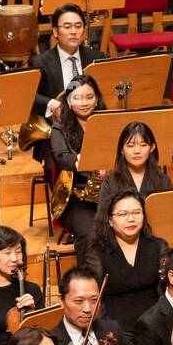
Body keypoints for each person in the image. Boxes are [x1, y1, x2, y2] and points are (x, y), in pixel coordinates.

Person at [81, 189, 168, 333]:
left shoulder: (158, 246)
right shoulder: (97, 252)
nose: (131, 219)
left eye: (136, 213)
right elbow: (93, 298)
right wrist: (107, 330)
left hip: (155, 324)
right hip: (115, 328)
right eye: (122, 214)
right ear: (110, 220)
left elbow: (168, 288)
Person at [48, 267, 147, 345]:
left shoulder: (112, 330)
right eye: (79, 301)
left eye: (95, 300)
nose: (88, 309)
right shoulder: (52, 341)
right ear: (61, 301)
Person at [49, 74, 107, 244]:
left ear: (97, 100)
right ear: (68, 101)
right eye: (77, 98)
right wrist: (92, 161)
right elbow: (62, 158)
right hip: (77, 200)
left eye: (89, 97)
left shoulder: (108, 122)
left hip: (110, 194)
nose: (84, 103)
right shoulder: (59, 129)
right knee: (91, 233)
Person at [30, 4, 105, 123]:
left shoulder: (97, 58)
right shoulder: (40, 62)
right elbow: (30, 96)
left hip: (91, 122)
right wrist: (51, 103)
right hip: (58, 125)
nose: (74, 32)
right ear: (55, 31)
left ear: (84, 30)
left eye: (78, 26)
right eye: (67, 26)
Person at [98, 121, 173, 213]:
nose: (137, 151)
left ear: (152, 148)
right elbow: (102, 219)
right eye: (130, 146)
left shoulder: (163, 181)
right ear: (121, 150)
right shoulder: (110, 182)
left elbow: (168, 215)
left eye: (143, 145)